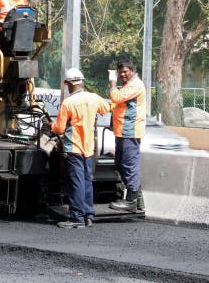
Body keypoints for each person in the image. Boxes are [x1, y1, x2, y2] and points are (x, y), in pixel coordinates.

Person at [49, 68, 111, 228]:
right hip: (88, 149)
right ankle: (88, 215)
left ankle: (76, 217)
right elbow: (106, 108)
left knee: (76, 183)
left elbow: (60, 129)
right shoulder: (93, 97)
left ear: (69, 84)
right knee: (87, 181)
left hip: (73, 148)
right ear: (82, 82)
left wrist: (51, 125)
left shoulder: (68, 103)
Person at [107, 59, 147, 212]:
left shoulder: (135, 85)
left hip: (130, 131)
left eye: (125, 71)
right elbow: (119, 103)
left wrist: (112, 82)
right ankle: (138, 199)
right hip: (122, 131)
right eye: (120, 72)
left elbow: (116, 97)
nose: (122, 74)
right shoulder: (128, 85)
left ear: (132, 70)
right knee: (120, 164)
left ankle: (131, 201)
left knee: (129, 165)